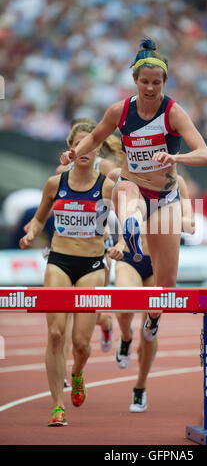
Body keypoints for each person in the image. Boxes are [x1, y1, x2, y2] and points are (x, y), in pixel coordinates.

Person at [60, 37, 207, 343]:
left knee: (167, 284)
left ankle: (153, 317)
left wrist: (175, 157)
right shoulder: (120, 110)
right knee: (128, 196)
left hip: (166, 198)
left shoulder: (173, 112)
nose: (151, 88)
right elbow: (95, 136)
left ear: (165, 82)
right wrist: (75, 154)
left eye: (157, 83)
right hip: (132, 187)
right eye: (145, 82)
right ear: (135, 80)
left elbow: (205, 155)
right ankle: (130, 225)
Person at [19, 123, 123, 427]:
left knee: (80, 343)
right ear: (71, 149)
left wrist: (118, 244)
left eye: (92, 146)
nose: (86, 151)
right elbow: (38, 221)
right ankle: (57, 406)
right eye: (80, 145)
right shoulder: (55, 183)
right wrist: (31, 234)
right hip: (59, 261)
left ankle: (77, 372)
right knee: (54, 334)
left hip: (92, 266)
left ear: (98, 150)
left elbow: (125, 218)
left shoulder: (106, 185)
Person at [110, 167, 194, 412]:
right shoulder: (125, 177)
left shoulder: (177, 182)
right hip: (129, 256)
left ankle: (140, 386)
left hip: (156, 263)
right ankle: (125, 337)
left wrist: (177, 222)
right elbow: (113, 215)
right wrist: (118, 243)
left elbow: (190, 222)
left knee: (149, 333)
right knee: (124, 306)